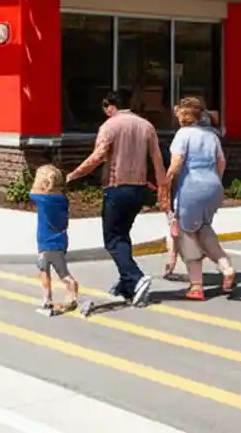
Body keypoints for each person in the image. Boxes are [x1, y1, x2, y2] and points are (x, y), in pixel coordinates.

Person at [66, 90, 167, 307]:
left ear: (110, 106)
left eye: (105, 109)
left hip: (116, 188)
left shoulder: (109, 126)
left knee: (112, 239)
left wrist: (74, 174)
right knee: (122, 235)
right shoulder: (146, 126)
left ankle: (136, 277)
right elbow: (158, 162)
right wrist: (163, 190)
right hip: (139, 190)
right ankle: (126, 284)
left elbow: (98, 156)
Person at [162, 96, 236, 300]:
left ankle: (196, 285)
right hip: (212, 186)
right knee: (204, 228)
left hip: (190, 189)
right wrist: (215, 182)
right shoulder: (211, 135)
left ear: (185, 115)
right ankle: (226, 267)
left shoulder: (183, 135)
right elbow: (221, 162)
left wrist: (165, 183)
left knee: (186, 235)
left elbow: (176, 163)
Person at [29, 164, 81, 314]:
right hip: (60, 242)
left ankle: (47, 300)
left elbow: (32, 194)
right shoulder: (62, 200)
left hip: (45, 243)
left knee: (43, 271)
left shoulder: (42, 199)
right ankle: (71, 290)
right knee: (61, 271)